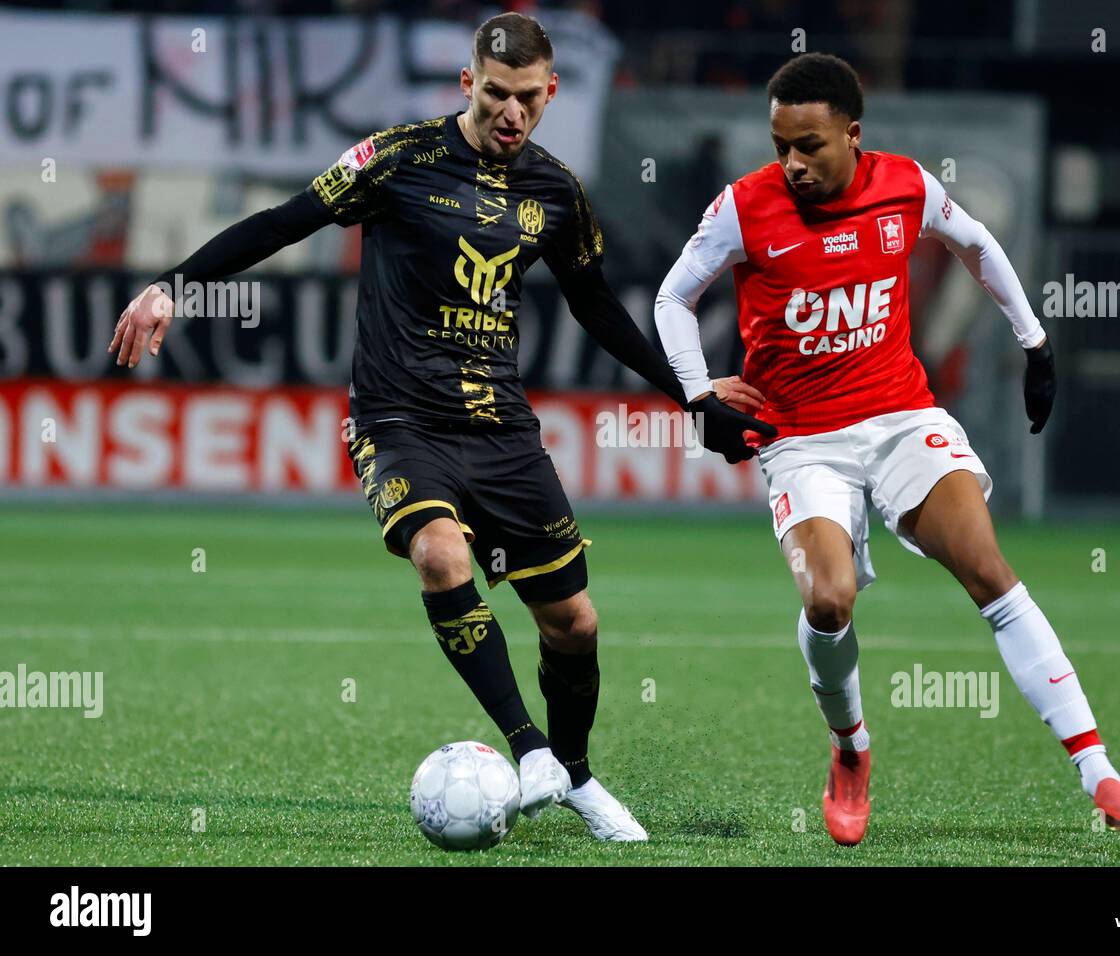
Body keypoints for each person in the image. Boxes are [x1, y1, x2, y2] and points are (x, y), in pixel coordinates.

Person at [109, 12, 769, 842]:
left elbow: (596, 306)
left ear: (550, 92)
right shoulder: (398, 158)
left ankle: (576, 775)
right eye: (496, 94)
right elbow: (283, 221)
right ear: (468, 84)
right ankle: (530, 750)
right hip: (398, 418)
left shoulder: (556, 193)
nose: (510, 113)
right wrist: (174, 283)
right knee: (439, 552)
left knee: (574, 624)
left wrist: (691, 398)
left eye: (528, 98)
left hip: (500, 429)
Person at [653, 52, 1120, 847]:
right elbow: (673, 297)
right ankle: (850, 748)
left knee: (991, 572)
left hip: (899, 415)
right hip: (802, 439)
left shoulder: (906, 185)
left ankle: (1100, 773)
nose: (791, 163)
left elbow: (978, 244)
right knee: (828, 600)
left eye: (810, 145)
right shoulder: (742, 209)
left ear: (853, 135)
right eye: (780, 144)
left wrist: (1035, 344)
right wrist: (697, 394)